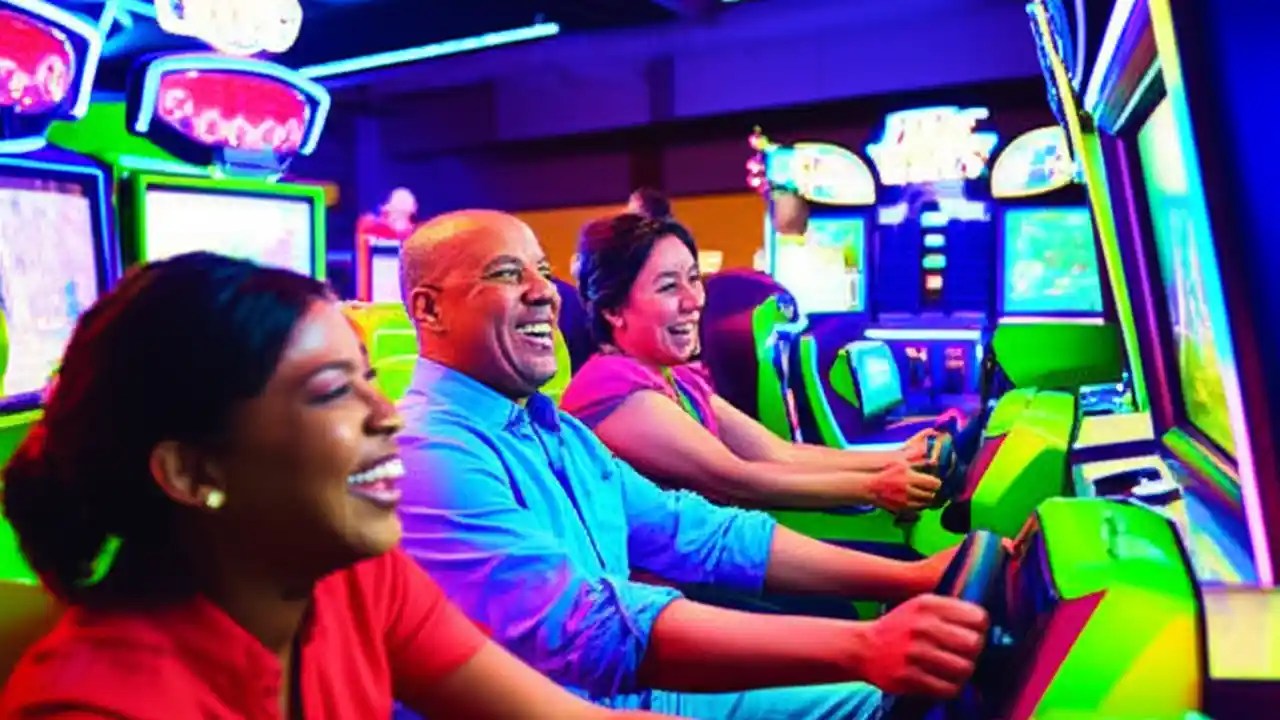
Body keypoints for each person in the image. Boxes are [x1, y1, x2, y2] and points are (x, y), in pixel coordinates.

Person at [0, 252, 670, 720]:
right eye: (329, 394)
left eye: (368, 376)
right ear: (191, 471)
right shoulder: (99, 705)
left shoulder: (353, 580)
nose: (385, 416)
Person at [394, 210, 989, 719]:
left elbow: (699, 528)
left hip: (639, 690)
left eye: (543, 272)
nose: (544, 291)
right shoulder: (430, 453)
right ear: (430, 309)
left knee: (904, 697)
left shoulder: (558, 430)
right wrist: (865, 643)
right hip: (603, 693)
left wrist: (914, 579)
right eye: (506, 273)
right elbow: (586, 628)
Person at [560, 213, 944, 513]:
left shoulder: (676, 377)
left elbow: (780, 453)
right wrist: (874, 487)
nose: (694, 301)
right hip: (659, 585)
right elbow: (736, 479)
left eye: (694, 279)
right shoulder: (610, 385)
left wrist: (894, 459)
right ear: (612, 309)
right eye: (668, 287)